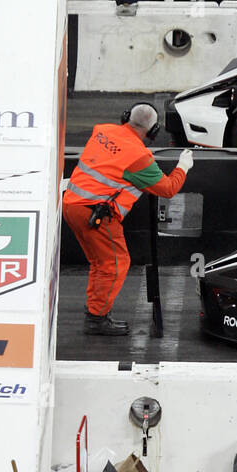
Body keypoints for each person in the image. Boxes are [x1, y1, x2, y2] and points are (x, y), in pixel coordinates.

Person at [63, 104, 193, 335]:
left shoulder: (102, 130)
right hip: (96, 216)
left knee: (101, 264)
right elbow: (168, 188)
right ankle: (96, 318)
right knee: (115, 265)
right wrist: (183, 166)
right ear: (153, 131)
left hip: (72, 205)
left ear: (126, 117)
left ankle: (95, 310)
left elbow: (115, 160)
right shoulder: (139, 157)